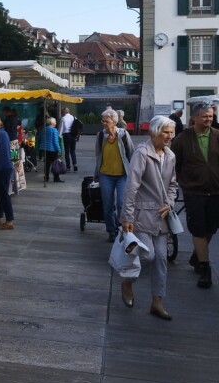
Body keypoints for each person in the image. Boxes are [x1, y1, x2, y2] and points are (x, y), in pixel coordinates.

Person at [119, 116, 178, 319]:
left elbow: (172, 185)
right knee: (149, 255)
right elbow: (131, 186)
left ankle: (157, 302)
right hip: (141, 214)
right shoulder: (142, 153)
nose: (169, 136)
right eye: (166, 132)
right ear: (154, 132)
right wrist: (127, 216)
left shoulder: (170, 155)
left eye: (171, 132)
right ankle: (127, 281)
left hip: (161, 216)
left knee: (161, 259)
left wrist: (169, 203)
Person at [171, 100, 219, 289]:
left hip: (216, 190)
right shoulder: (182, 139)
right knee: (198, 228)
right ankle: (205, 268)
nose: (209, 119)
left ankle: (197, 255)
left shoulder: (217, 135)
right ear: (194, 118)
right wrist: (173, 187)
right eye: (205, 116)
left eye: (211, 116)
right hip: (193, 190)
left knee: (212, 227)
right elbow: (173, 165)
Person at [94, 108, 134, 242]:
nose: (104, 123)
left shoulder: (123, 135)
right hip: (105, 175)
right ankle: (111, 231)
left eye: (106, 121)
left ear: (114, 121)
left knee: (122, 204)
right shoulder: (100, 136)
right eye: (103, 121)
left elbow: (132, 154)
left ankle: (123, 230)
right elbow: (98, 156)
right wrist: (96, 173)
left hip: (122, 175)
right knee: (107, 205)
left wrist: (134, 174)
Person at [37, 115, 63, 182]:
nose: (56, 123)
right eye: (55, 122)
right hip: (52, 150)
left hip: (44, 149)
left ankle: (46, 177)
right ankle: (56, 178)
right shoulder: (54, 130)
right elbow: (55, 141)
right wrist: (59, 150)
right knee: (55, 164)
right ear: (52, 123)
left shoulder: (44, 129)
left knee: (47, 164)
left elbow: (38, 138)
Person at [60, 106, 79, 172]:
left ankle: (68, 167)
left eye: (62, 112)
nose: (61, 113)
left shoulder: (63, 118)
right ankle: (75, 164)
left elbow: (61, 128)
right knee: (73, 151)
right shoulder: (74, 117)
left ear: (64, 112)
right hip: (73, 135)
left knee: (67, 152)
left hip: (66, 135)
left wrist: (59, 136)